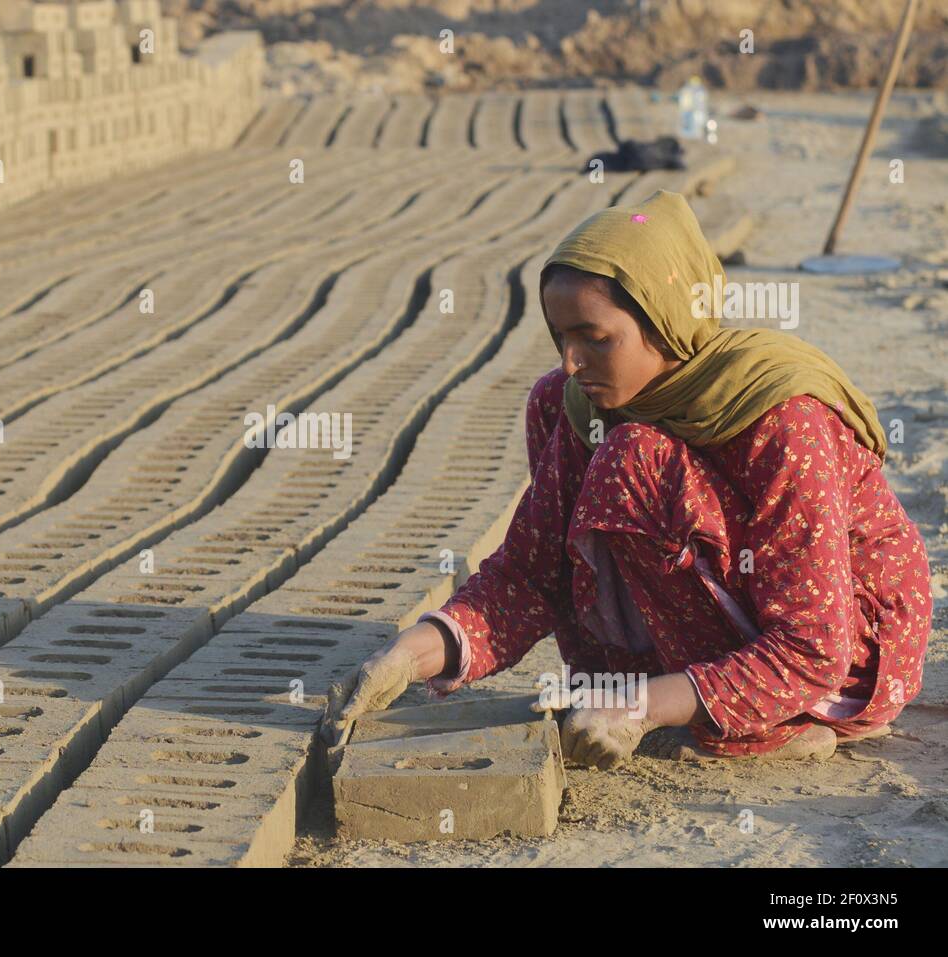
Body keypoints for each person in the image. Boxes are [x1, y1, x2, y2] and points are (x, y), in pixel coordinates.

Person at [320, 189, 932, 769]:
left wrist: (640, 707)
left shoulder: (782, 416)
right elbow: (535, 571)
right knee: (557, 403)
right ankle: (649, 691)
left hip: (840, 656)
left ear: (664, 324)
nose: (572, 360)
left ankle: (763, 722)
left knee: (632, 457)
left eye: (595, 338)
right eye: (561, 336)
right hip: (739, 634)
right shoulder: (584, 405)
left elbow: (813, 647)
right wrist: (416, 650)